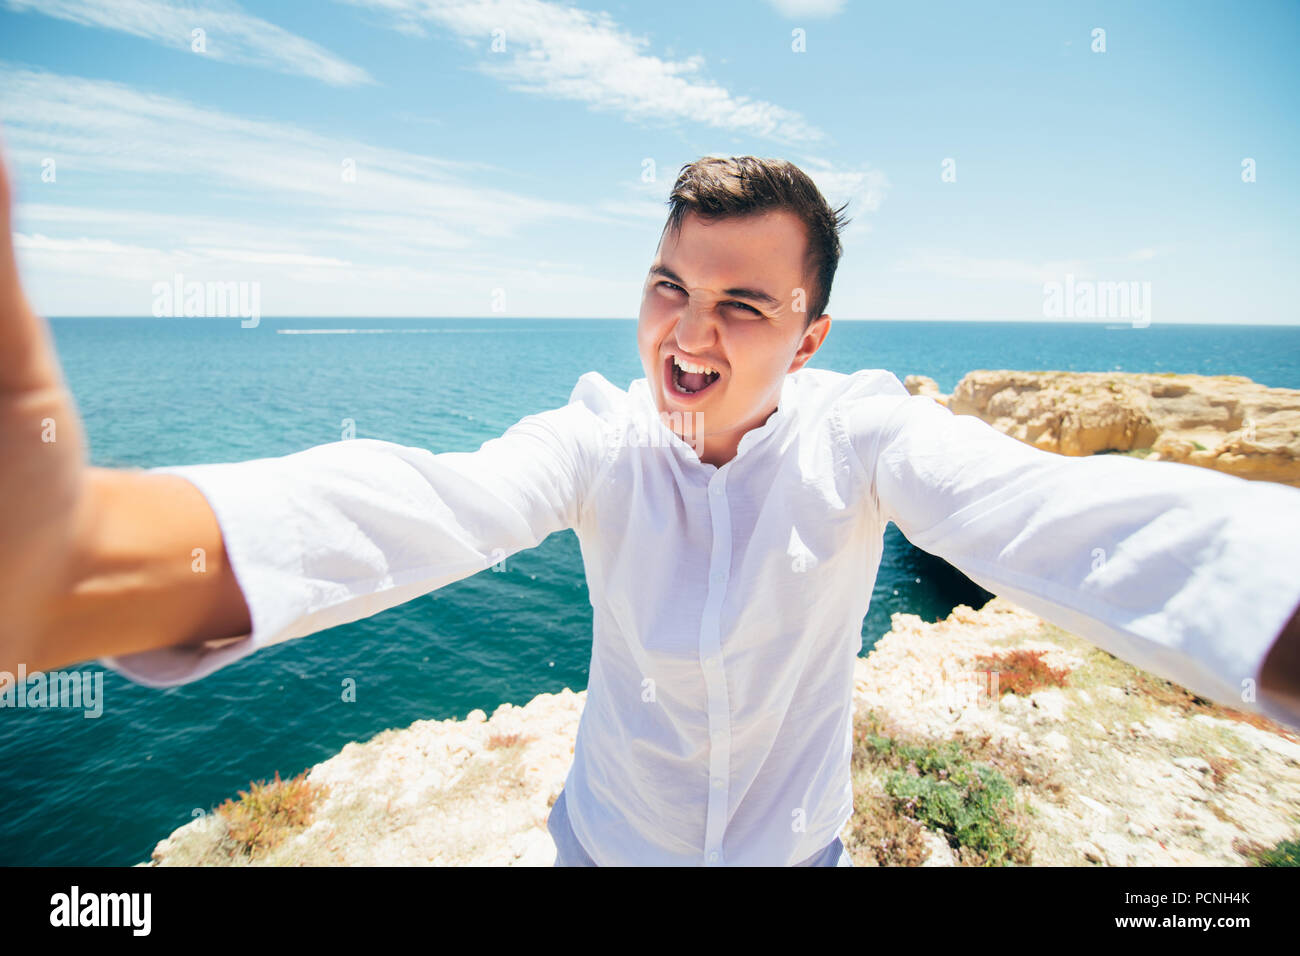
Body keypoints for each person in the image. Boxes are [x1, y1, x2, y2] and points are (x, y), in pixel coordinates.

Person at [2, 150, 1298, 867]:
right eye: (669, 285)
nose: (686, 331)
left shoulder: (863, 431)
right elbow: (428, 507)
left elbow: (1047, 515)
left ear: (811, 336)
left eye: (742, 303)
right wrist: (86, 563)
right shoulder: (597, 437)